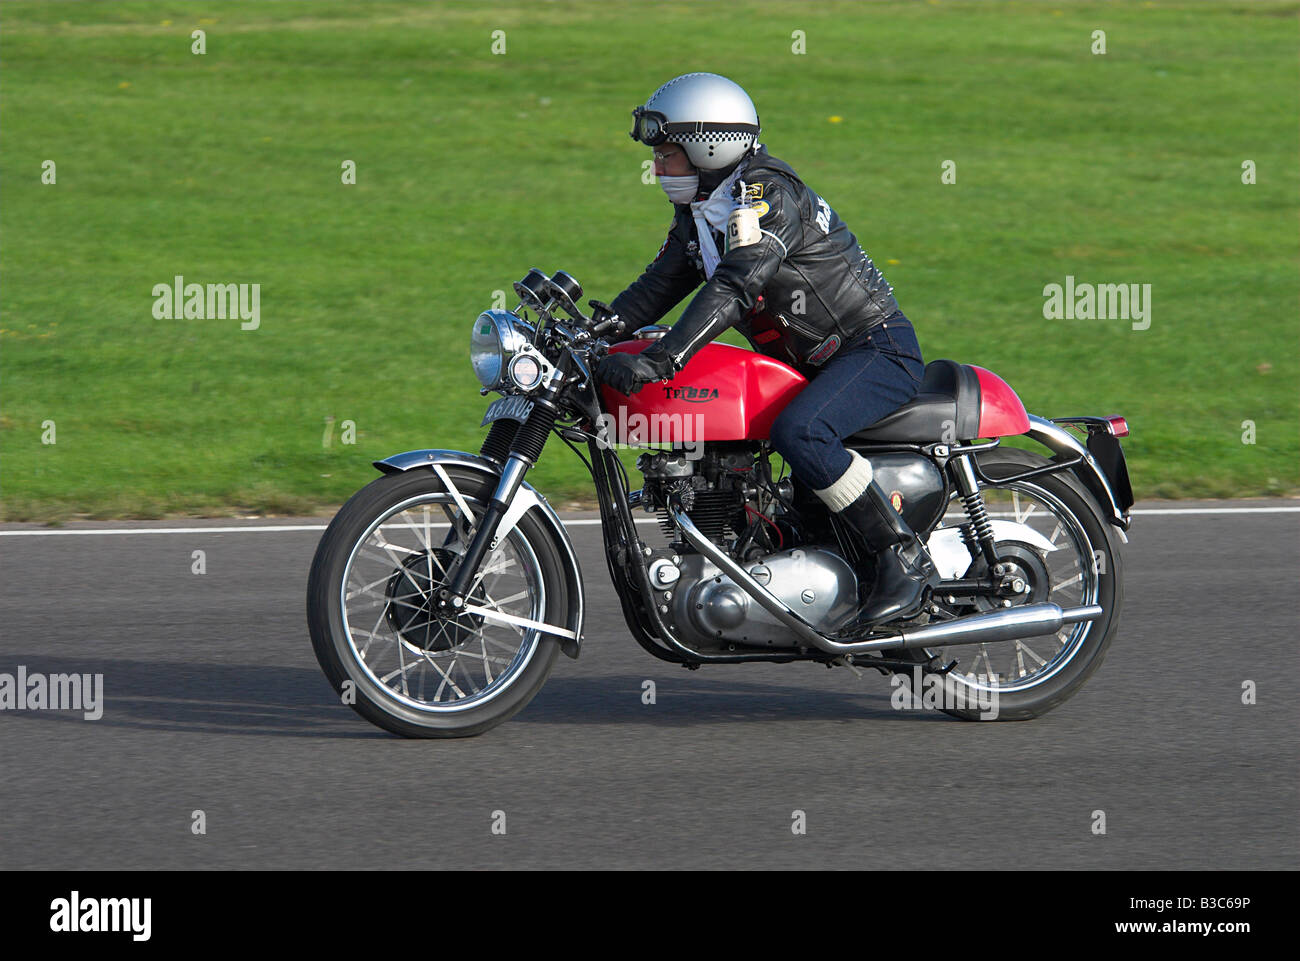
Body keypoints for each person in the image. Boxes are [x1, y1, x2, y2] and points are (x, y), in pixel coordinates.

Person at [597, 72, 940, 633]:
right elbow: (658, 285)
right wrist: (595, 331)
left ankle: (902, 558)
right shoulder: (705, 209)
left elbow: (736, 284)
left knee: (802, 434)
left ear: (709, 145)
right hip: (812, 363)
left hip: (871, 350)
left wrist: (664, 358)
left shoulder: (767, 195)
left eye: (667, 154)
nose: (657, 167)